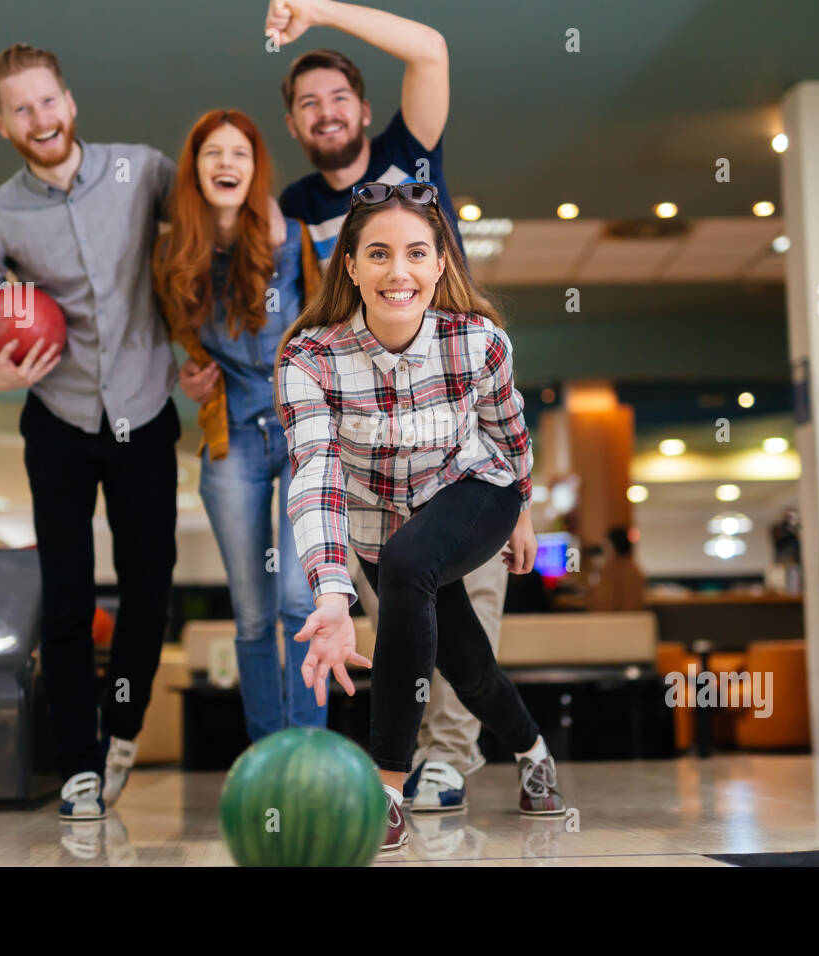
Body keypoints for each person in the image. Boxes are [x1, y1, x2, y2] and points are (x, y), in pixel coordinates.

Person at [275, 182, 565, 852]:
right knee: (467, 664)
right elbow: (315, 476)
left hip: (474, 491)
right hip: (378, 521)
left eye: (414, 254)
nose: (397, 272)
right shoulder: (310, 360)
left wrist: (522, 508)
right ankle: (534, 755)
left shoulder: (477, 343)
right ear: (350, 267)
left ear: (441, 265)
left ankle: (385, 791)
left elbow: (509, 431)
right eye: (377, 254)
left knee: (411, 561)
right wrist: (330, 592)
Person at [267, 0, 497, 815]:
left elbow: (430, 48)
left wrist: (314, 10)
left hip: (455, 411)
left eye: (338, 97)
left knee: (469, 591)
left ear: (364, 110)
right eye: (308, 104)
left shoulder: (410, 158)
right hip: (369, 433)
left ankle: (447, 760)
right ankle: (400, 757)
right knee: (398, 599)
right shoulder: (293, 208)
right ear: (294, 124)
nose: (326, 113)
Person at [0, 43, 182, 820]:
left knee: (151, 592)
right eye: (21, 109)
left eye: (47, 101)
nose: (39, 118)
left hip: (145, 411)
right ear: (1, 124)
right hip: (57, 417)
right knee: (67, 595)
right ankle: (79, 765)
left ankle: (122, 729)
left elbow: (208, 243)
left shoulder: (142, 171)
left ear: (69, 102)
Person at [153, 109, 327, 740]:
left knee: (298, 602)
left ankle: (308, 752)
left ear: (256, 171)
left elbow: (328, 326)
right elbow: (177, 335)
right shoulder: (174, 253)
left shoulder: (293, 237)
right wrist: (190, 373)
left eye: (240, 154)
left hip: (303, 432)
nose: (226, 163)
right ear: (195, 171)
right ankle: (267, 756)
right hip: (231, 438)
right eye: (212, 154)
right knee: (252, 615)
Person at [586, 526, 649, 612]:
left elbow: (602, 606)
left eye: (605, 544)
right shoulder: (635, 570)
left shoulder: (609, 570)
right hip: (633, 622)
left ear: (612, 546)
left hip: (614, 622)